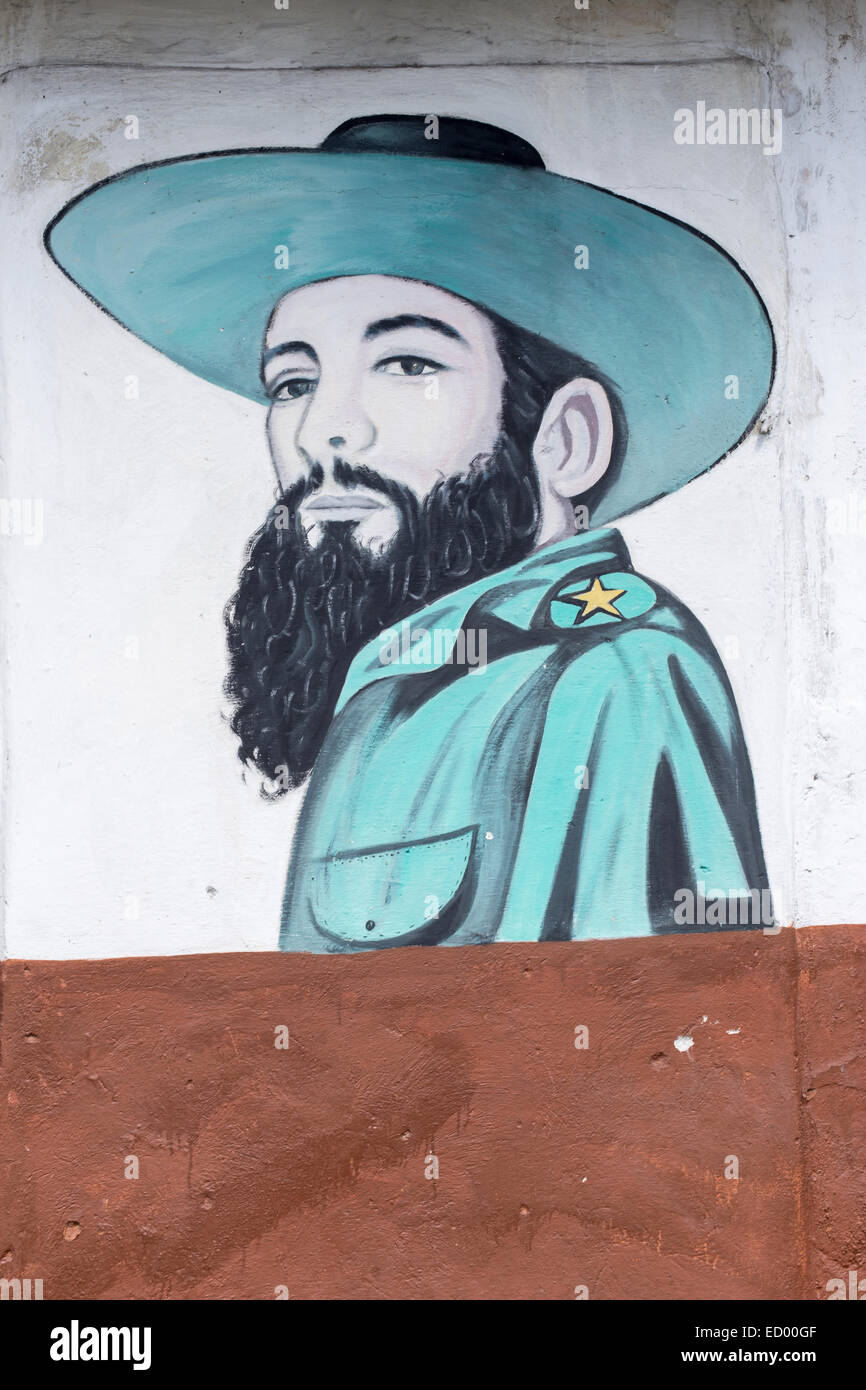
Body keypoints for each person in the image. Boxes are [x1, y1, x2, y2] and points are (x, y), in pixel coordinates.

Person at [46, 113, 776, 948]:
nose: (326, 429)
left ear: (567, 439)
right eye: (293, 381)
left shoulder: (615, 667)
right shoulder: (398, 674)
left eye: (408, 364)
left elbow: (648, 1049)